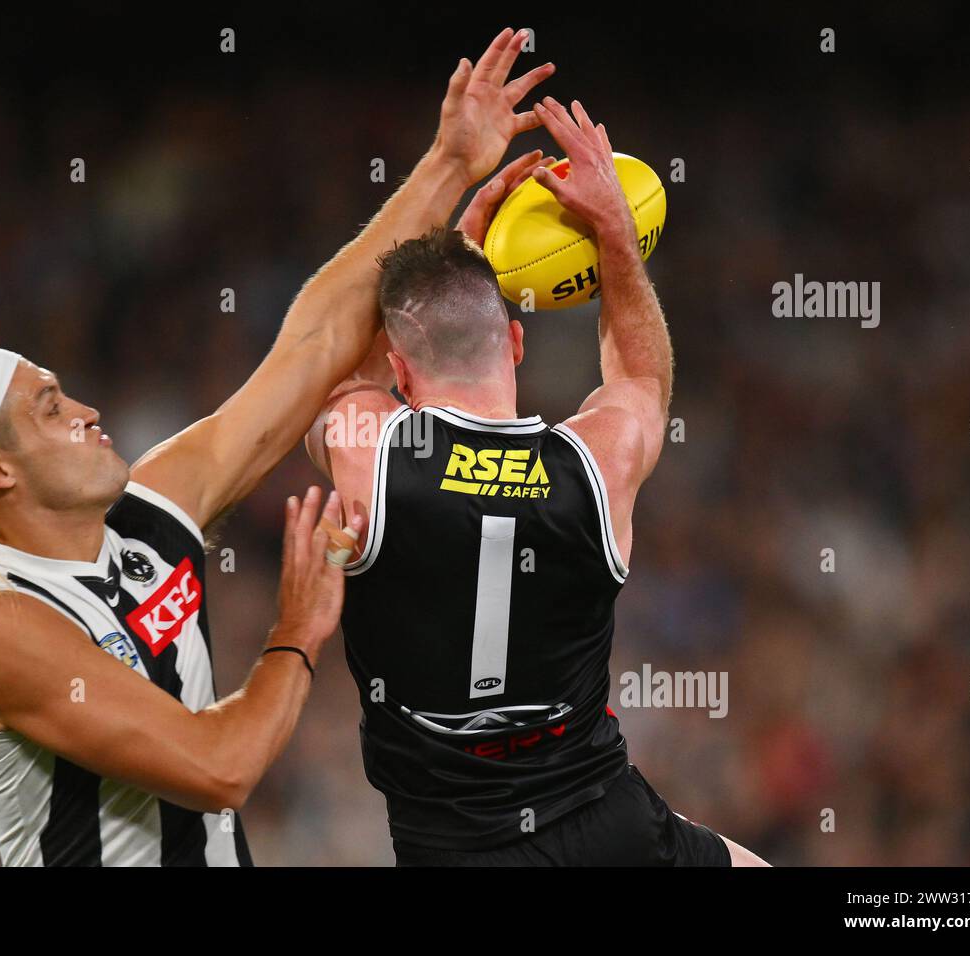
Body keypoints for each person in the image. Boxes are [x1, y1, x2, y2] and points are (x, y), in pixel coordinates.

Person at [0, 27, 554, 865]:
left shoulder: (148, 513)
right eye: (49, 409)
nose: (84, 410)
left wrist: (450, 163)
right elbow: (216, 767)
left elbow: (310, 346)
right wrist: (295, 632)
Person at [307, 96, 769, 865]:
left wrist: (447, 249)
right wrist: (615, 238)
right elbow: (642, 378)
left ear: (398, 371)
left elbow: (331, 364)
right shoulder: (595, 466)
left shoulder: (371, 455)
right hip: (604, 825)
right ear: (516, 342)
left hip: (448, 845)